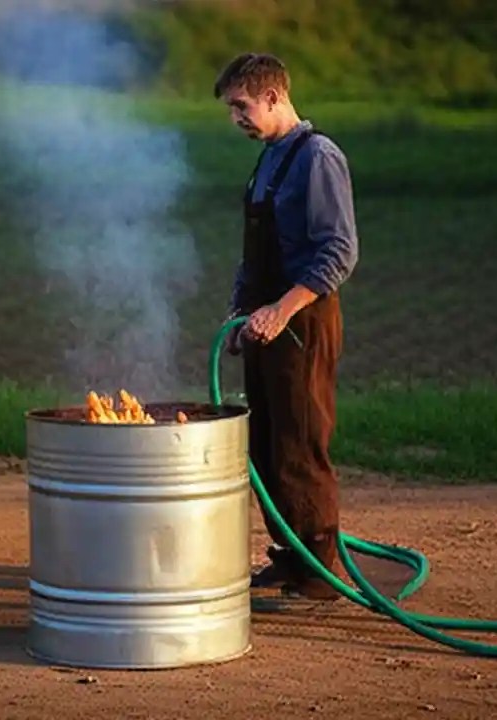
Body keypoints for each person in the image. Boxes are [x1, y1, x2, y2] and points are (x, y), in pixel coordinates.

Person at [214, 53, 359, 600]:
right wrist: (238, 313)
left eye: (242, 106)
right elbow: (253, 259)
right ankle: (289, 555)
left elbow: (339, 251)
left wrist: (281, 310)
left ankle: (316, 573)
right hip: (264, 322)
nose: (237, 119)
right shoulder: (269, 159)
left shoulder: (317, 156)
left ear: (273, 97)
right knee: (266, 443)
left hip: (302, 320)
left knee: (300, 443)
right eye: (232, 109)